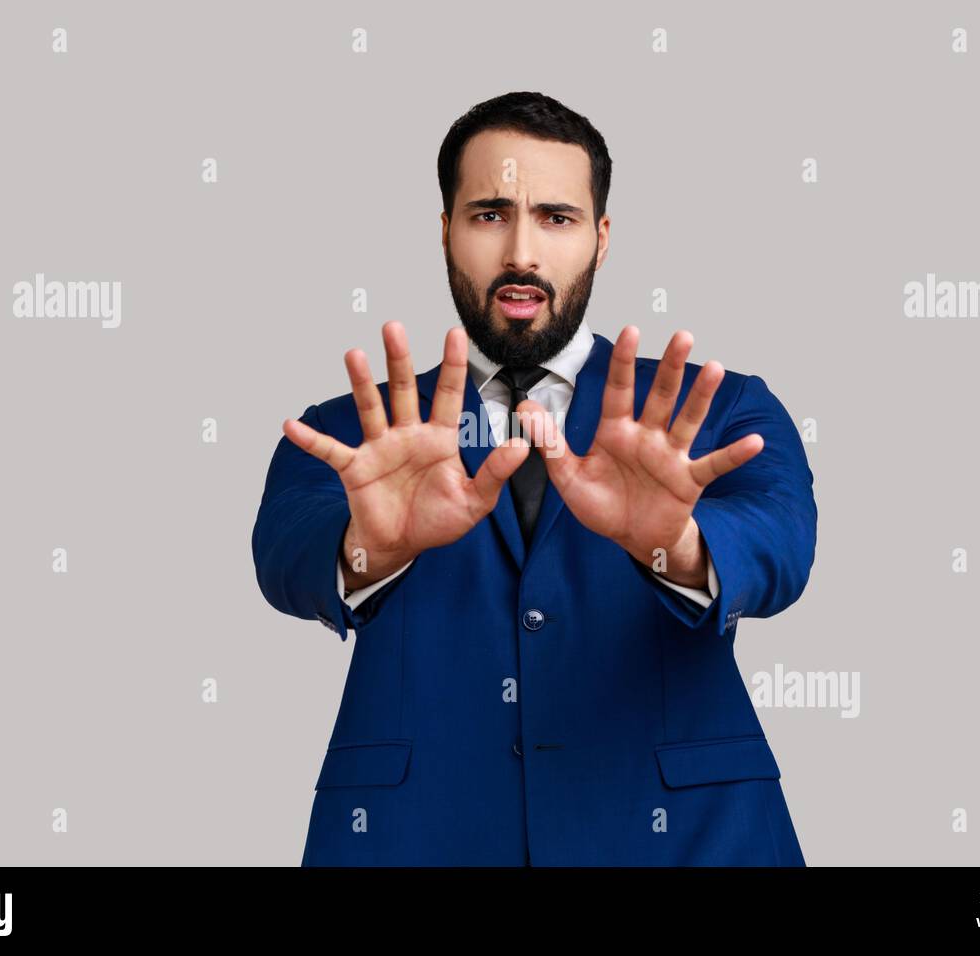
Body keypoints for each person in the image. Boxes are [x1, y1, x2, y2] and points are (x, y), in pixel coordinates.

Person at [252, 91, 817, 866]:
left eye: (557, 217)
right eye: (489, 214)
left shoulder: (718, 406)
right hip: (414, 840)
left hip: (690, 838)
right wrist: (368, 550)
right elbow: (284, 558)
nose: (522, 252)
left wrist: (676, 548)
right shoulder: (351, 428)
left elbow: (782, 548)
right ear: (445, 229)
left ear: (601, 237)